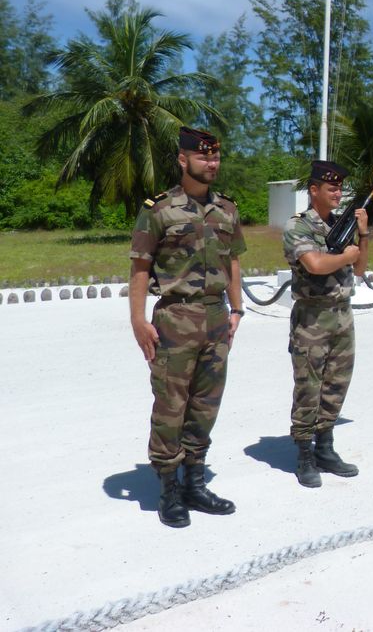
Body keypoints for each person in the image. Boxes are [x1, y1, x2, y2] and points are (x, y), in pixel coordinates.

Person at [129, 127, 245, 528]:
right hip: (175, 319)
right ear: (183, 160)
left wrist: (237, 310)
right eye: (203, 157)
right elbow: (140, 267)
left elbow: (232, 262)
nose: (211, 163)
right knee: (170, 407)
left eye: (215, 157)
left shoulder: (227, 209)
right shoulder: (159, 209)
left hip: (216, 319)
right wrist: (138, 320)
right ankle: (168, 489)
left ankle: (195, 482)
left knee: (205, 406)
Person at [282, 160, 368, 487]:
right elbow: (315, 264)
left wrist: (364, 234)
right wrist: (346, 256)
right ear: (314, 190)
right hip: (312, 318)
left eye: (340, 188)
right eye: (331, 188)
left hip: (342, 315)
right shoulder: (298, 226)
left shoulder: (341, 225)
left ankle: (326, 446)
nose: (338, 193)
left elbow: (359, 269)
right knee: (309, 387)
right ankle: (304, 452)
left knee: (336, 385)